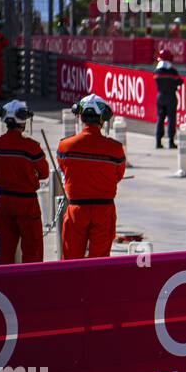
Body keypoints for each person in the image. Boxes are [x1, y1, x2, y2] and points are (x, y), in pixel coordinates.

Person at [57, 94, 126, 259]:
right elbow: (118, 175)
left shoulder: (65, 145)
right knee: (99, 263)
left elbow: (63, 169)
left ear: (80, 117)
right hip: (104, 210)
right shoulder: (115, 149)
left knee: (71, 261)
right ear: (102, 119)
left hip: (76, 210)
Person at [0, 100, 49, 265]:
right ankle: (31, 287)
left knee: (6, 251)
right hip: (27, 203)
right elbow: (44, 173)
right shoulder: (31, 147)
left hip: (4, 201)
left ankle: (5, 287)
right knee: (32, 251)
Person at [154, 52, 184, 149]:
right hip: (171, 97)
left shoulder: (157, 71)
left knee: (160, 119)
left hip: (160, 96)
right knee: (171, 120)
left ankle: (158, 142)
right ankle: (171, 142)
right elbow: (180, 81)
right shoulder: (172, 71)